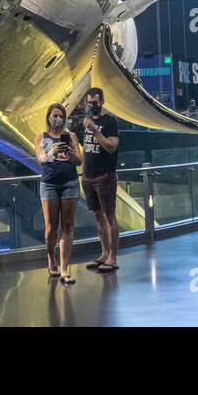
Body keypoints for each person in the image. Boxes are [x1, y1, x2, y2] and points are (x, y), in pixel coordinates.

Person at [37, 102, 82, 284]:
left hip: (69, 182)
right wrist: (51, 152)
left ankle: (64, 269)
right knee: (50, 227)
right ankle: (51, 256)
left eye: (60, 116)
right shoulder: (41, 136)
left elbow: (79, 160)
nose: (57, 119)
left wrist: (72, 154)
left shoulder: (71, 136)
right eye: (54, 115)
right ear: (48, 117)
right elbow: (40, 159)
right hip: (49, 184)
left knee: (68, 225)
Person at [80, 86, 120, 273]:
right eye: (89, 102)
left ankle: (113, 257)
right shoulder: (86, 121)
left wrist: (96, 131)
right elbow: (87, 149)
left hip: (105, 176)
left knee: (109, 215)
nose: (91, 106)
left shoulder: (110, 121)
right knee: (98, 216)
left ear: (102, 102)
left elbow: (111, 147)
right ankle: (104, 253)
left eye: (94, 103)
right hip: (88, 176)